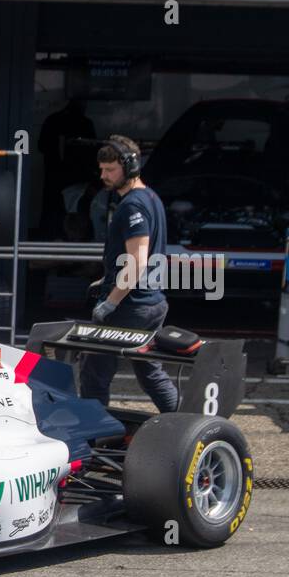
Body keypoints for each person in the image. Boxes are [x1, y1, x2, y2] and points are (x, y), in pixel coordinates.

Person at [79, 135, 180, 414]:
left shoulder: (132, 206)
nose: (104, 176)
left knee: (94, 373)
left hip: (130, 306)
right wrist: (109, 279)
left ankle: (92, 437)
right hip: (152, 303)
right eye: (101, 170)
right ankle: (183, 420)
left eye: (110, 170)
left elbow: (137, 261)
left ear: (131, 167)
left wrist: (111, 301)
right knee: (149, 371)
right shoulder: (151, 197)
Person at [37, 98, 96, 238]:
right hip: (77, 176)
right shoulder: (84, 123)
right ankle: (74, 238)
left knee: (54, 207)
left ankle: (52, 235)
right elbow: (92, 150)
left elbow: (41, 146)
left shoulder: (52, 120)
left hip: (56, 174)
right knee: (76, 210)